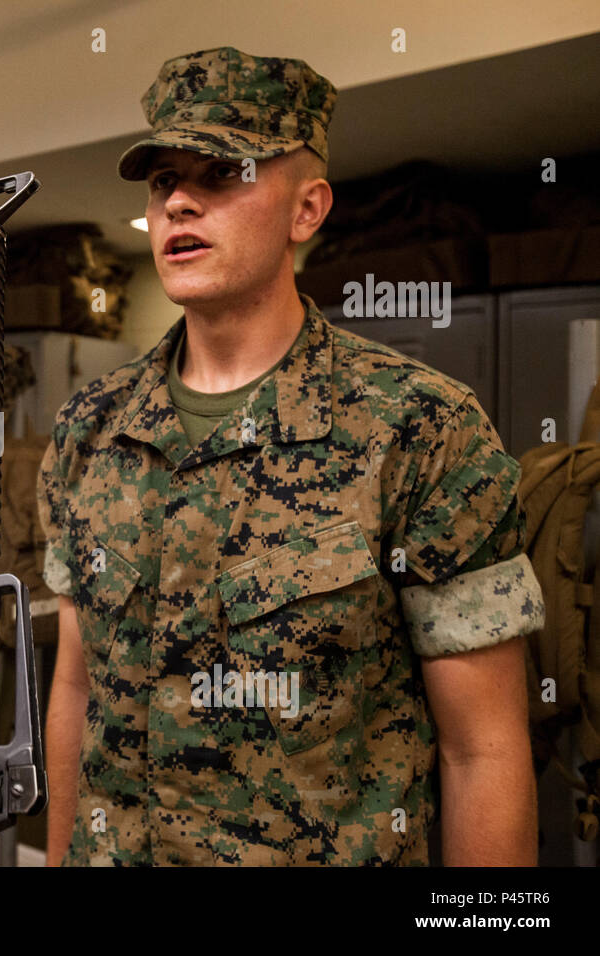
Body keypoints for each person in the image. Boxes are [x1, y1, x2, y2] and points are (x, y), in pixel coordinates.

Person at [39, 46, 546, 866]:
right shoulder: (88, 429)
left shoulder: (418, 426)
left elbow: (481, 750)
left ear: (307, 209)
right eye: (164, 178)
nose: (178, 202)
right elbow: (75, 689)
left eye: (220, 173)